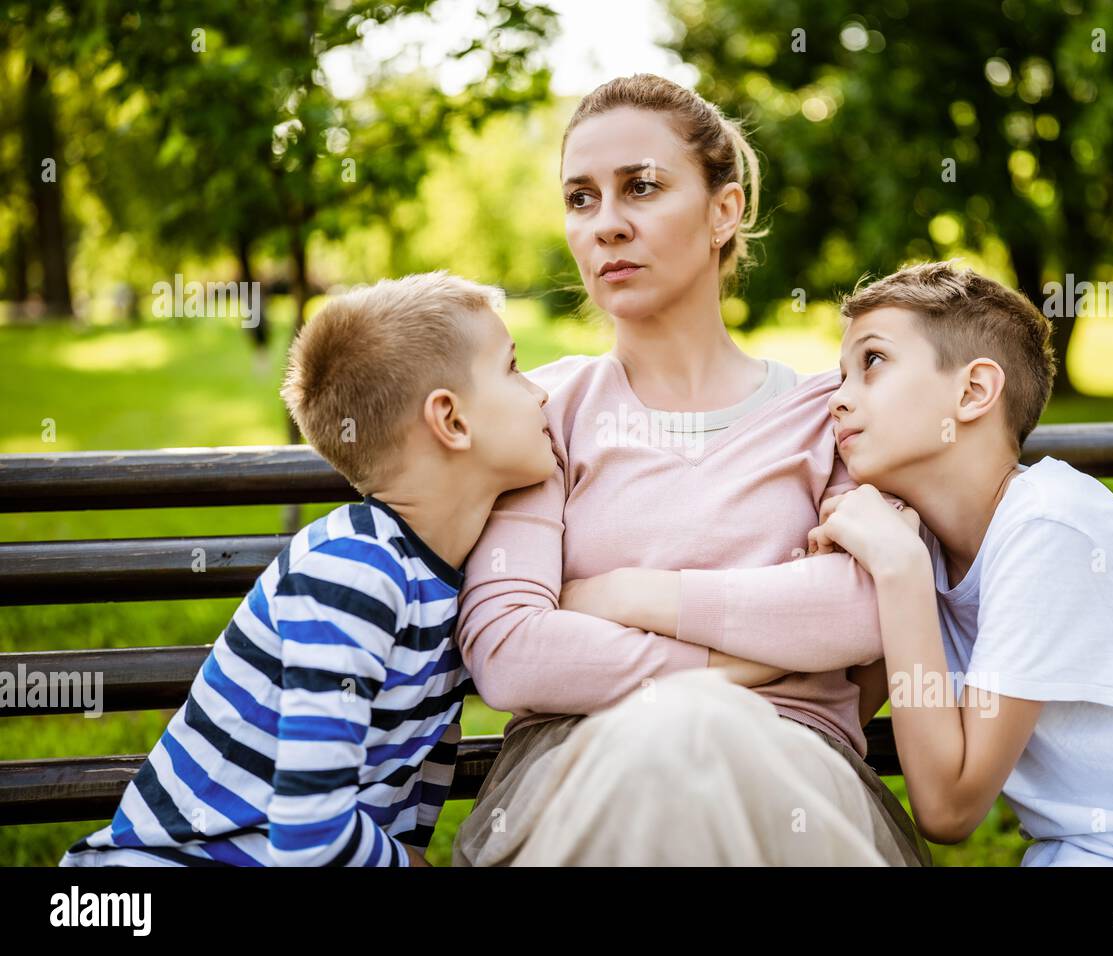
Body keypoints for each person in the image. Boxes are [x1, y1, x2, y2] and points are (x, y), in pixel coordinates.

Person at [451, 74, 930, 866]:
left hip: (794, 778)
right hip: (579, 772)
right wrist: (743, 661)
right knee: (681, 733)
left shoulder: (830, 412)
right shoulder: (545, 413)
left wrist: (632, 596)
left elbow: (859, 606)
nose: (606, 225)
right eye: (581, 198)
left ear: (723, 210)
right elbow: (511, 650)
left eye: (641, 188)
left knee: (697, 734)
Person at [806, 260, 1113, 865]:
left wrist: (900, 573)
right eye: (840, 375)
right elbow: (830, 724)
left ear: (972, 391)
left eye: (872, 363)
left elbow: (949, 809)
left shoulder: (1047, 527)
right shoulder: (920, 540)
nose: (837, 399)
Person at [61, 270, 557, 866]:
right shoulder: (354, 573)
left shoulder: (447, 580)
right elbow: (311, 831)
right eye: (512, 367)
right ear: (451, 420)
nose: (542, 393)